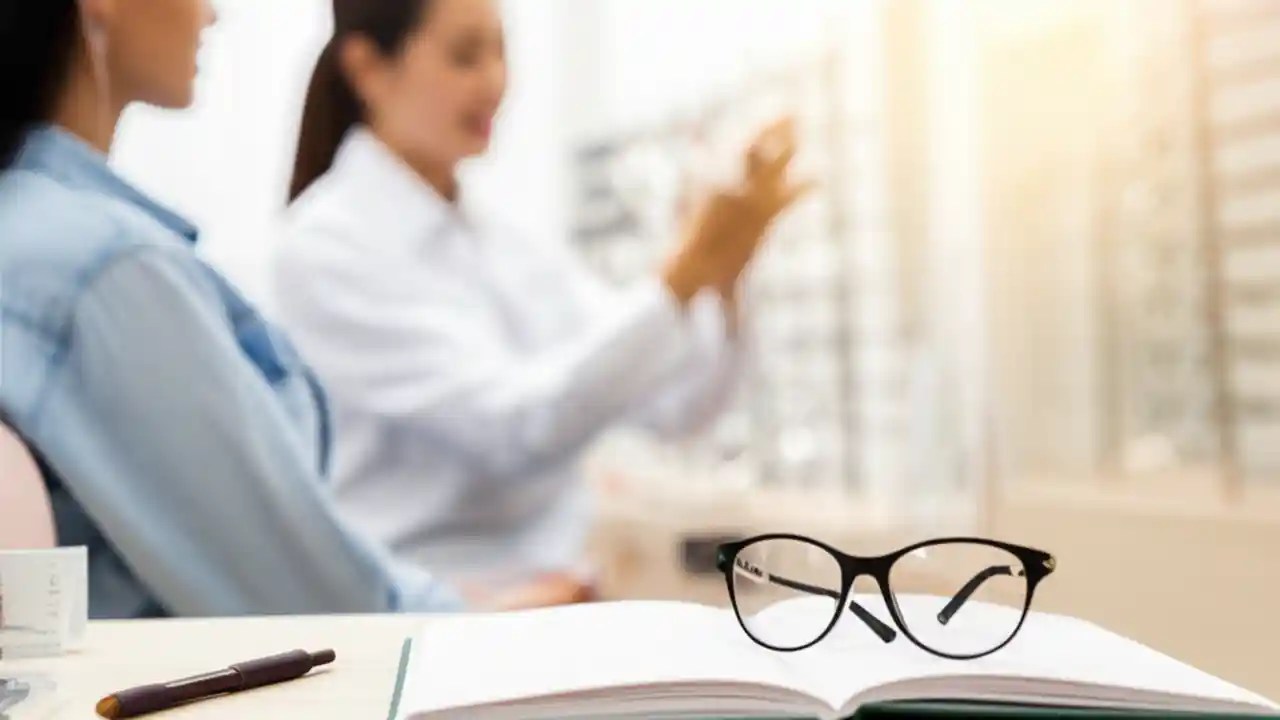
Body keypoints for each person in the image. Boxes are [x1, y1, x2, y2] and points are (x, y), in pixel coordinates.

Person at [273, 0, 808, 603]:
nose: (495, 82)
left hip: (555, 606)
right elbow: (517, 427)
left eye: (501, 53)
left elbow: (675, 409)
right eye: (465, 56)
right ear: (368, 69)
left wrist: (726, 272)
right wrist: (684, 273)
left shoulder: (506, 242)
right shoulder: (326, 249)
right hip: (428, 619)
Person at [0, 0, 470, 618]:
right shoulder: (97, 267)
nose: (213, 13)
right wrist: (495, 626)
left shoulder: (35, 232)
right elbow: (317, 600)